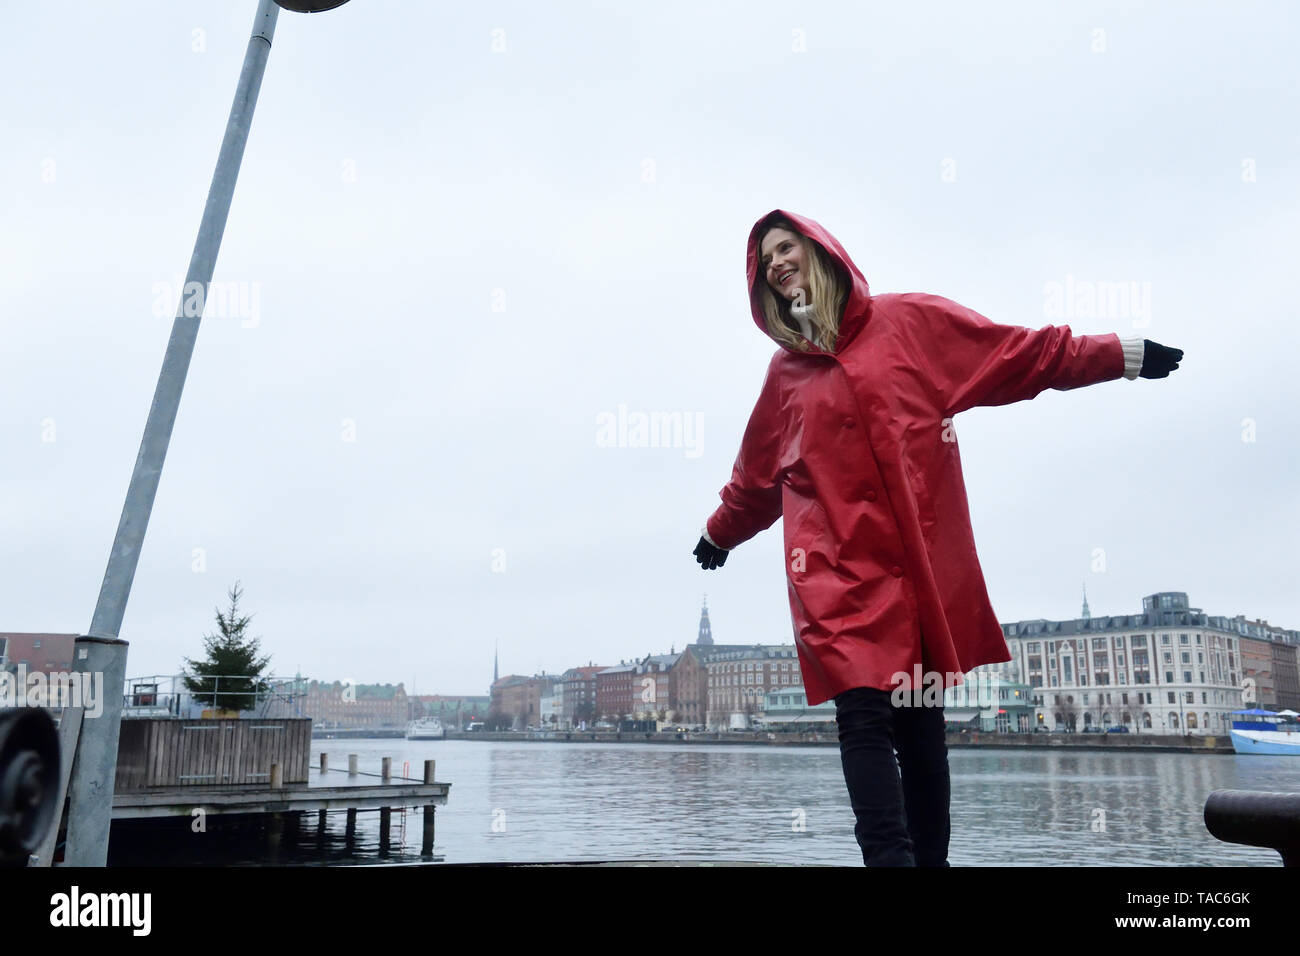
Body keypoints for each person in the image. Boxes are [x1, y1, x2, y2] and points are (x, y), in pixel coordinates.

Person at [691, 209, 1183, 866]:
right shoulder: (785, 377)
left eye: (786, 248)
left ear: (819, 251)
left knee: (921, 731)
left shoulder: (908, 324)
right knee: (862, 718)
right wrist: (720, 532)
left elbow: (1015, 354)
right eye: (765, 262)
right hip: (835, 578)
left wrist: (1114, 355)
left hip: (914, 573)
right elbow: (756, 475)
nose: (777, 264)